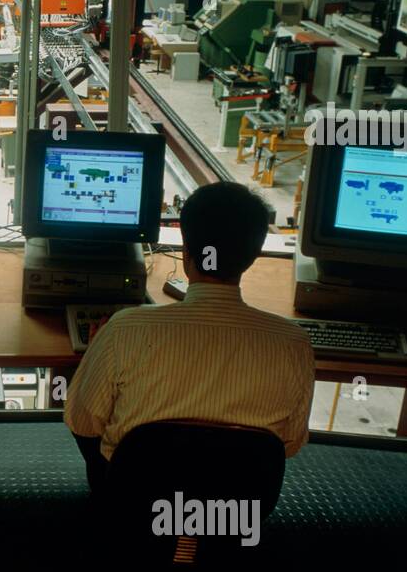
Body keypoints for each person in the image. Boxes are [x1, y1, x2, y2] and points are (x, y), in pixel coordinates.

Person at [64, 181, 316, 494]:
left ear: (186, 250)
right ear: (253, 257)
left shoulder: (124, 330)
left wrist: (100, 354)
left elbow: (83, 422)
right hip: (233, 510)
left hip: (137, 501)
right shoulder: (294, 344)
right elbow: (290, 443)